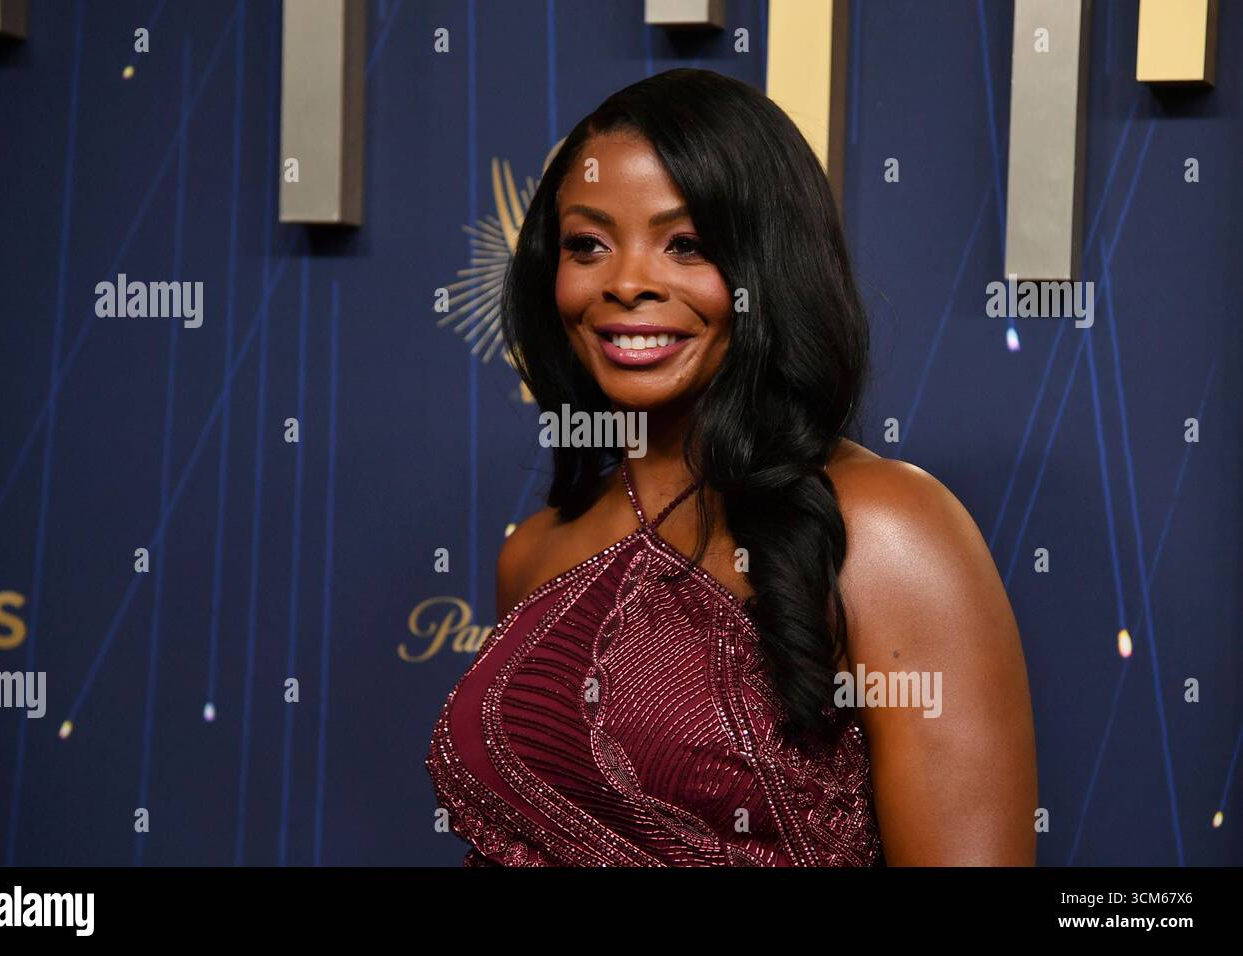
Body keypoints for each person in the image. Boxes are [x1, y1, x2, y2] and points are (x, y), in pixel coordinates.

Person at [425, 68, 1037, 866]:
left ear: (768, 267)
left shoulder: (888, 529)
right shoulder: (534, 552)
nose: (628, 282)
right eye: (588, 244)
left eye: (688, 245)